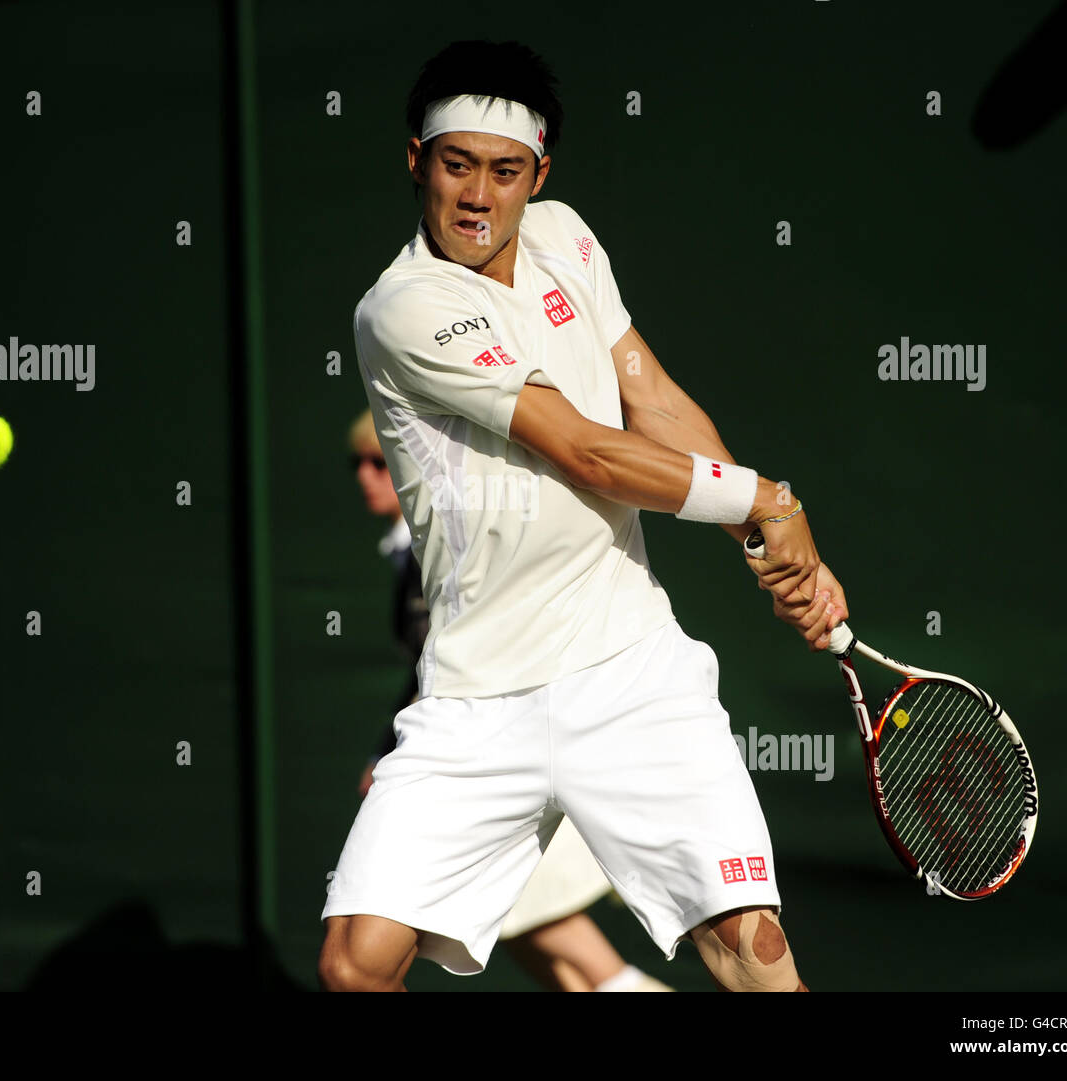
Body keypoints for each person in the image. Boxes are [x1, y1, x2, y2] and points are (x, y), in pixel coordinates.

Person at [320, 39, 848, 992]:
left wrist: (769, 543)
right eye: (457, 164)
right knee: (357, 967)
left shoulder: (566, 236)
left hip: (631, 672)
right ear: (416, 160)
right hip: (476, 696)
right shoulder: (401, 307)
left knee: (756, 958)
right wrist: (769, 499)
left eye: (506, 170)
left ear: (540, 174)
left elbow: (648, 398)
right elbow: (588, 450)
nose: (479, 195)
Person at [346, 409, 669, 992]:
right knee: (538, 949)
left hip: (513, 763)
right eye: (357, 464)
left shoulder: (444, 544)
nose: (367, 475)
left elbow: (443, 664)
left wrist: (389, 751)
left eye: (378, 460)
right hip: (496, 761)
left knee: (575, 954)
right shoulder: (414, 547)